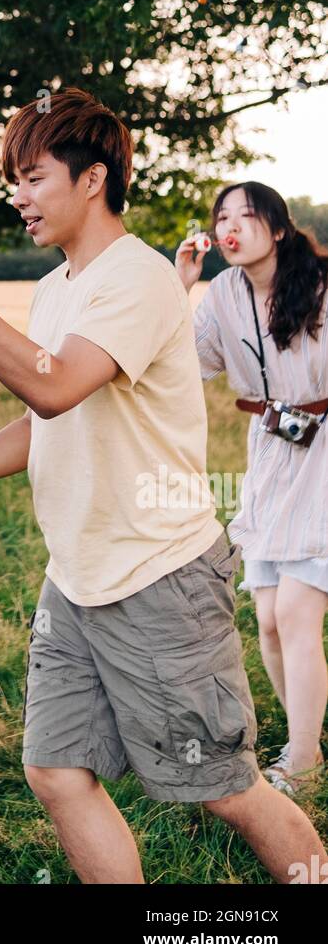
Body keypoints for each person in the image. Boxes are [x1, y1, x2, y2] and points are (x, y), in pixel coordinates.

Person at [0, 86, 327, 884]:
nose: (18, 196)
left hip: (159, 574)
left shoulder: (142, 277)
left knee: (223, 789)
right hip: (75, 578)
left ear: (93, 180)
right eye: (13, 179)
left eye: (34, 176)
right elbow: (52, 414)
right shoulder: (56, 289)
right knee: (55, 771)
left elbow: (53, 385)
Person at [176, 183, 328, 797]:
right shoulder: (223, 294)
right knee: (267, 619)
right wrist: (179, 285)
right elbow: (179, 363)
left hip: (326, 453)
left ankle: (303, 761)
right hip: (271, 453)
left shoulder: (318, 284)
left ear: (280, 228)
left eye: (248, 214)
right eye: (223, 216)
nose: (232, 225)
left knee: (294, 612)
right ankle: (306, 738)